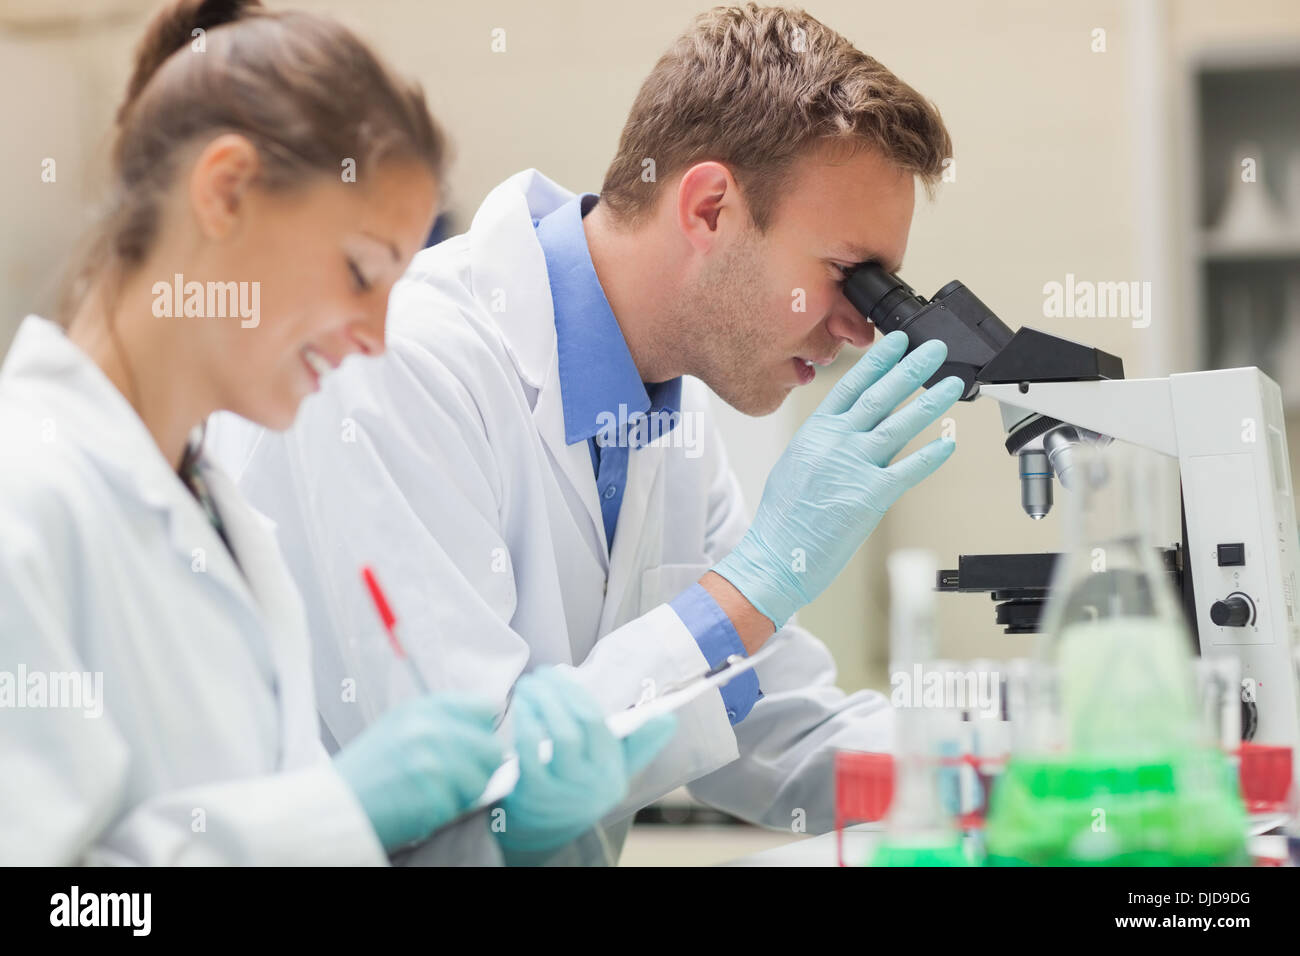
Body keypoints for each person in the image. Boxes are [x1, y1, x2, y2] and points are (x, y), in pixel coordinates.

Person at [210, 3, 962, 865]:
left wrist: (983, 771)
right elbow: (476, 782)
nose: (861, 329)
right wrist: (754, 586)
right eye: (847, 276)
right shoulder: (403, 368)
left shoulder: (669, 409)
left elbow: (770, 727)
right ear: (710, 207)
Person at [0, 0, 671, 866]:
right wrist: (336, 813)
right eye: (359, 271)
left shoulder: (230, 528)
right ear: (225, 190)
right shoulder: (26, 497)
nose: (375, 336)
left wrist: (499, 832)